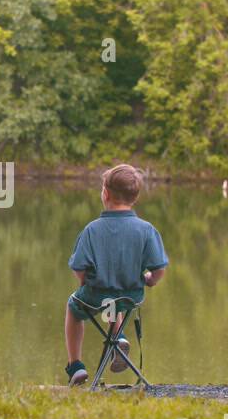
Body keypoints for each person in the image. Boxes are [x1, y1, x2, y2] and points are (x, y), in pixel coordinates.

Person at [64, 164, 168, 386]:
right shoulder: (146, 229)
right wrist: (150, 280)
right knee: (116, 300)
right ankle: (119, 338)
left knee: (74, 306)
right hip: (131, 297)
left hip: (95, 294)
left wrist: (84, 281)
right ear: (135, 198)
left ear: (106, 193)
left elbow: (78, 268)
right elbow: (159, 268)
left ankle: (76, 366)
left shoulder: (92, 229)